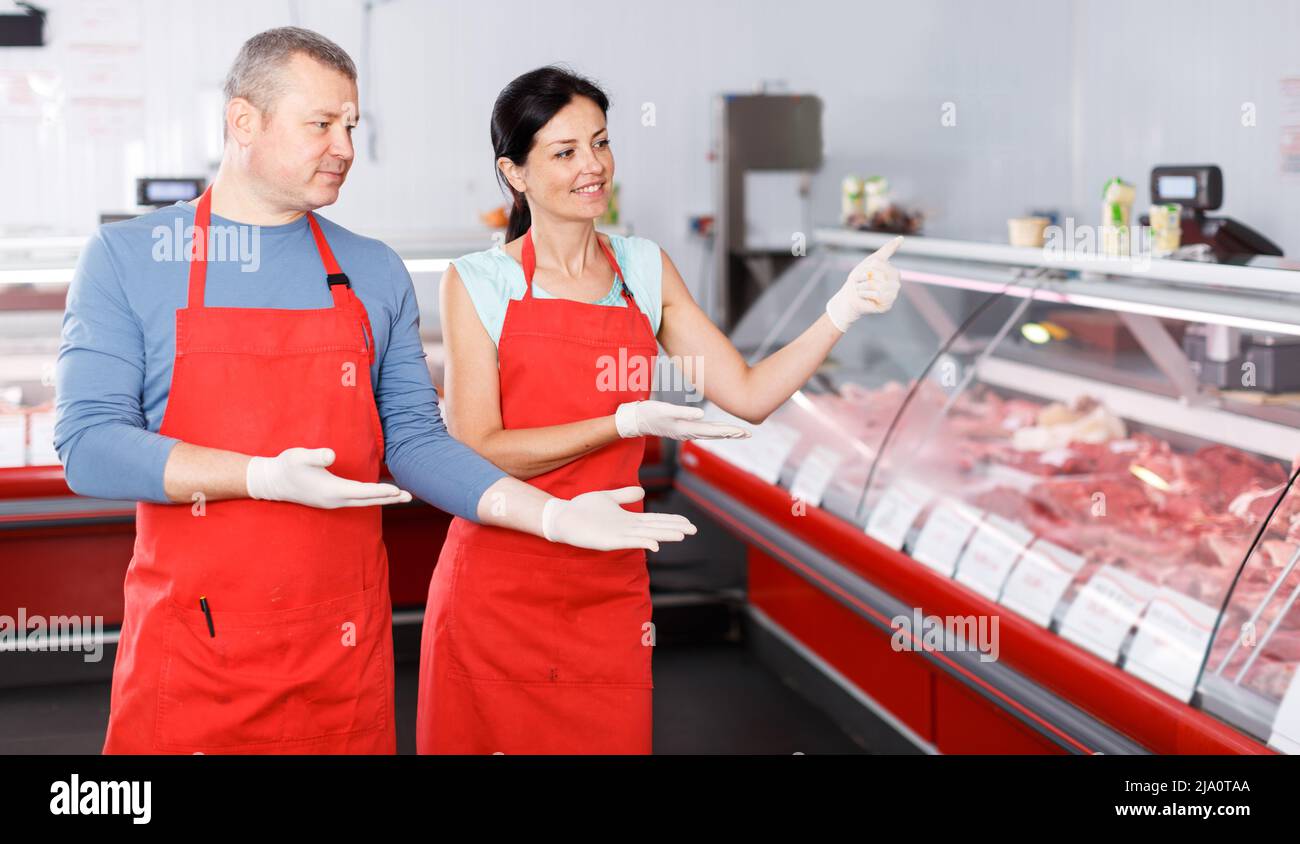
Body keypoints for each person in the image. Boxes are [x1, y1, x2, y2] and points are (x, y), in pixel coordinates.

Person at [55, 29, 695, 755]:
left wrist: (549, 517)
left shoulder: (372, 270)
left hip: (342, 652)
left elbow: (418, 443)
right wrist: (260, 477)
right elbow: (89, 446)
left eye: (352, 125)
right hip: (198, 651)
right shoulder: (129, 258)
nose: (344, 148)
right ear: (243, 122)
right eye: (321, 124)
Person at [417, 65, 901, 754]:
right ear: (514, 172)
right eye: (564, 152)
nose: (594, 166)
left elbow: (750, 394)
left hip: (608, 589)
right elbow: (476, 448)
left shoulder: (643, 269)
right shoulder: (478, 282)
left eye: (601, 142)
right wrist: (619, 424)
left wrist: (840, 311)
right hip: (498, 587)